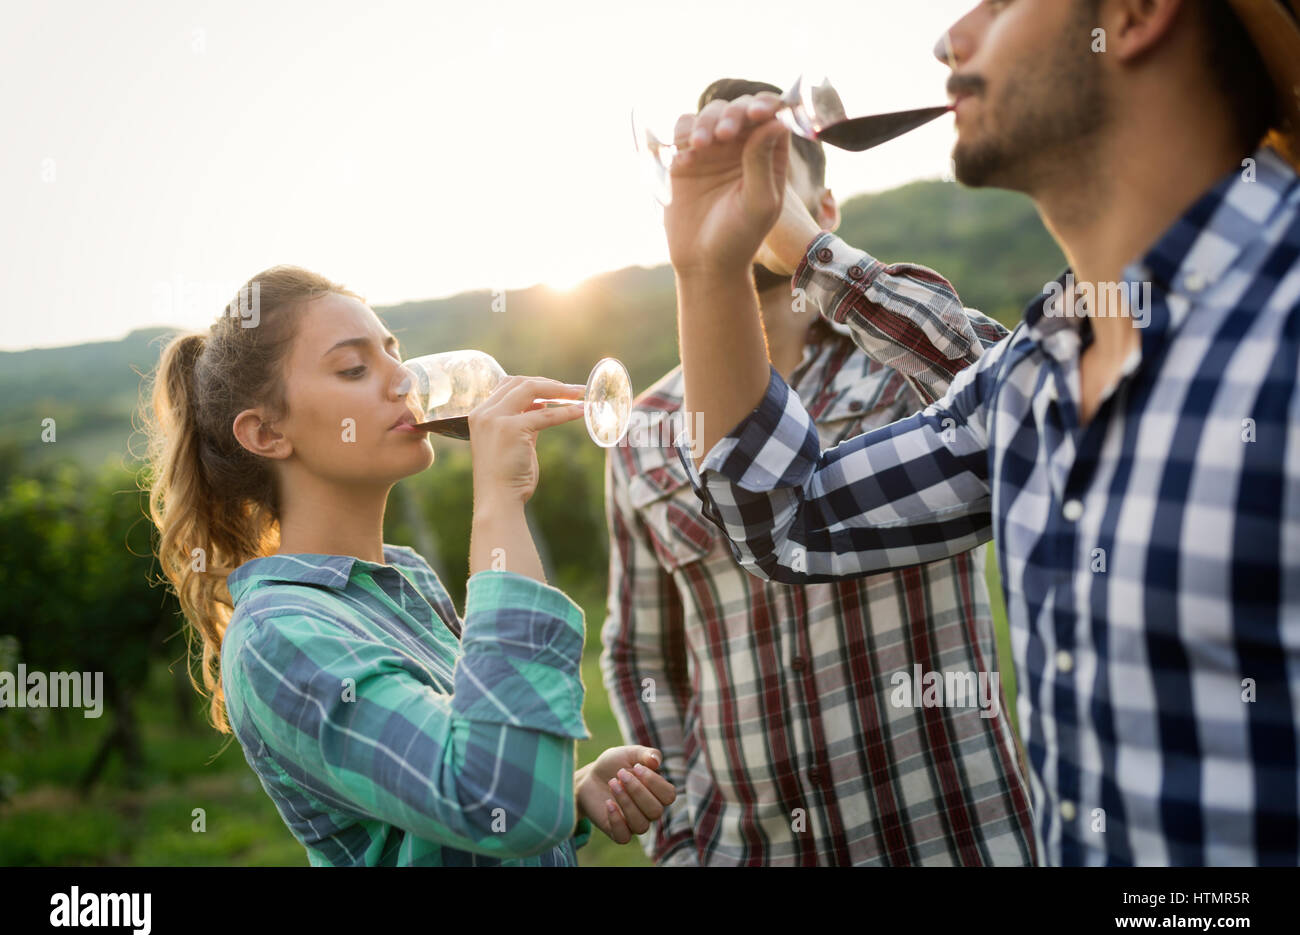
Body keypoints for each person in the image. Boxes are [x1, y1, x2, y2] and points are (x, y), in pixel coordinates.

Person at [663, 0, 1300, 865]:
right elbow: (783, 519)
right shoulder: (1031, 379)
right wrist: (708, 269)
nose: (947, 40)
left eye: (996, 5)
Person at [601, 77, 1035, 865]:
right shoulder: (643, 430)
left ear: (824, 212)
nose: (745, 198)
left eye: (764, 178)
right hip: (743, 847)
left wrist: (805, 252)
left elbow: (1027, 403)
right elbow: (639, 653)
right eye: (724, 181)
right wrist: (677, 829)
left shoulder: (902, 365)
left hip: (950, 831)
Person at [142, 266, 675, 865]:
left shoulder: (405, 578)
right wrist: (498, 501)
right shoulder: (279, 637)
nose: (403, 380)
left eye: (394, 354)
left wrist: (569, 795)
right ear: (266, 432)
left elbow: (460, 785)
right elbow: (497, 797)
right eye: (353, 368)